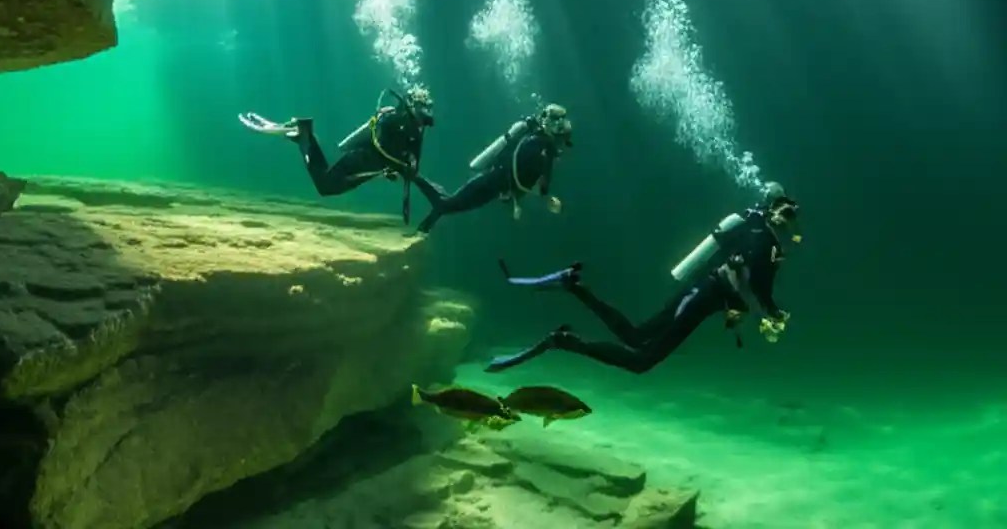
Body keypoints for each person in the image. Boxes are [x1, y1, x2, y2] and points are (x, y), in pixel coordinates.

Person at [485, 182, 801, 374]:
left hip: (704, 292)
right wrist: (774, 313)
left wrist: (767, 307)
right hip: (705, 295)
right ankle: (564, 339)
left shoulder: (751, 226)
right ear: (774, 208)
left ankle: (574, 287)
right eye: (786, 213)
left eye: (790, 215)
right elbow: (759, 283)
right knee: (641, 358)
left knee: (637, 339)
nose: (788, 221)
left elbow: (750, 276)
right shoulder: (765, 238)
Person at [240, 86, 443, 224]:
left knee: (326, 186)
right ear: (411, 108)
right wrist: (402, 166)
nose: (422, 122)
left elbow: (411, 160)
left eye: (425, 118)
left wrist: (407, 166)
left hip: (369, 167)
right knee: (326, 186)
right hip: (360, 160)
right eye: (421, 115)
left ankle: (305, 136)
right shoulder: (396, 120)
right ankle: (305, 135)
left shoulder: (414, 131)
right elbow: (389, 146)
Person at [415, 103, 573, 234]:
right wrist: (516, 196)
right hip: (491, 181)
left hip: (495, 185)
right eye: (561, 139)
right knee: (450, 205)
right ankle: (417, 179)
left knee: (450, 205)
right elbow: (513, 167)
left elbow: (532, 180)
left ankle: (428, 215)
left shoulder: (543, 148)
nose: (560, 146)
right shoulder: (538, 145)